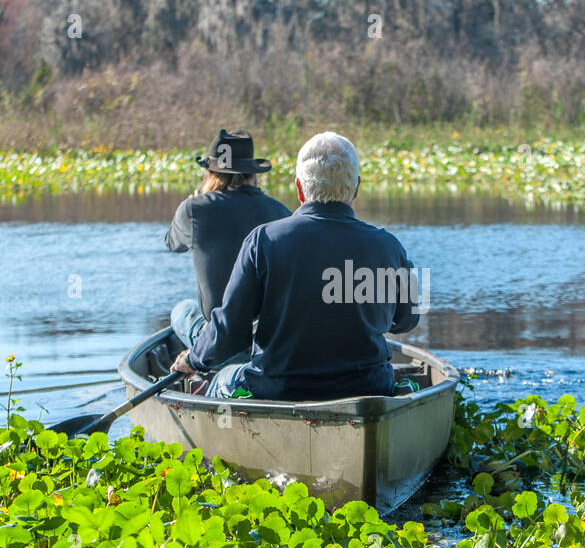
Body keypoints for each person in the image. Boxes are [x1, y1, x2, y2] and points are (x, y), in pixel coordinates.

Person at [170, 131, 421, 400]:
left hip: (277, 389)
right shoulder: (389, 246)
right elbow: (408, 319)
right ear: (356, 187)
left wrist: (194, 361)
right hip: (368, 389)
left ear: (299, 188)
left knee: (222, 377)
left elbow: (230, 333)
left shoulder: (261, 241)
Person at [164, 129, 290, 349]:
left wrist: (190, 204)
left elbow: (172, 243)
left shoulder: (195, 209)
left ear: (211, 174)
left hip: (218, 338)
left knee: (182, 309)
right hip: (268, 339)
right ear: (252, 173)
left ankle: (197, 361)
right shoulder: (281, 212)